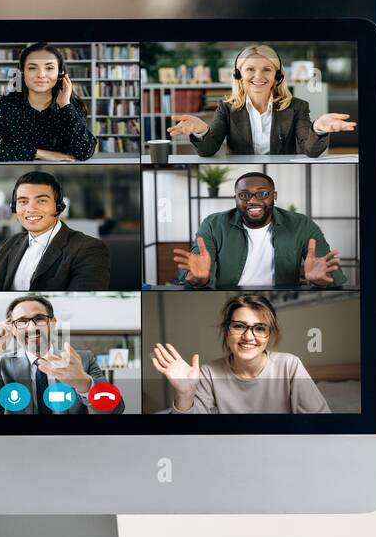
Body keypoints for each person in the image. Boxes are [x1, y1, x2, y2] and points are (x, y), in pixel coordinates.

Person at [166, 44, 355, 158]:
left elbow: (311, 150)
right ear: (239, 74)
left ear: (278, 75)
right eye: (250, 69)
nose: (259, 76)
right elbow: (209, 149)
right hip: (242, 177)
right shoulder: (226, 108)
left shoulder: (297, 107)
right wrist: (201, 131)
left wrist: (318, 129)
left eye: (267, 69)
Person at [151, 295, 330, 414]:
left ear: (270, 335)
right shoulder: (209, 373)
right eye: (239, 326)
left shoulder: (289, 366)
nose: (248, 336)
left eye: (259, 328)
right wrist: (185, 394)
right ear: (226, 331)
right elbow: (187, 436)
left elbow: (321, 424)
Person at [174, 172, 346, 289]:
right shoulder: (213, 224)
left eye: (262, 194)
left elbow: (335, 277)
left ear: (274, 196)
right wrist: (200, 279)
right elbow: (194, 273)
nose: (253, 201)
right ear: (236, 198)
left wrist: (321, 281)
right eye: (244, 195)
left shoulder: (301, 225)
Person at [0, 295, 122, 415]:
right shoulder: (0, 365)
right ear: (13, 328)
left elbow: (115, 410)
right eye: (22, 321)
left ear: (53, 322)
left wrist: (84, 383)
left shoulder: (83, 360)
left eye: (39, 319)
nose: (31, 328)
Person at [0, 171, 110, 291]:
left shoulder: (88, 248)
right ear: (15, 208)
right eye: (23, 202)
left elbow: (82, 304)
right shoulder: (11, 243)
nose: (30, 209)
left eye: (41, 200)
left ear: (59, 207)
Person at [0, 42, 97, 162]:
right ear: (22, 73)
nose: (41, 75)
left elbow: (85, 152)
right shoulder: (6, 105)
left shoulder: (71, 106)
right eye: (32, 68)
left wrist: (65, 106)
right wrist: (40, 154)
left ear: (60, 73)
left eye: (49, 68)